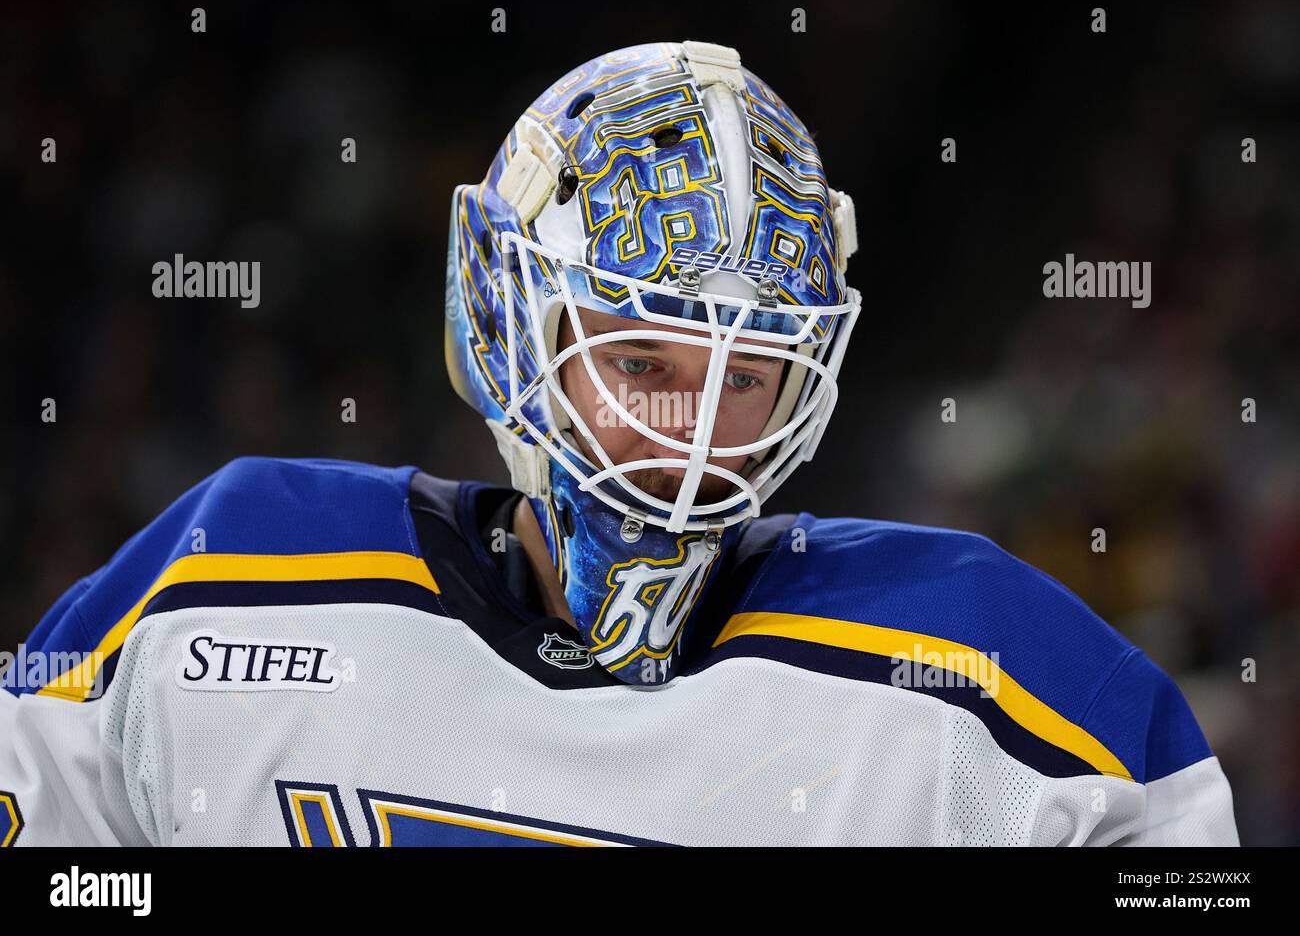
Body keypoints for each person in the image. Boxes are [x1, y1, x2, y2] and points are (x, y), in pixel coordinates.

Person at [0, 41, 1238, 846]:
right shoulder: (228, 587)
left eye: (747, 374)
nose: (690, 438)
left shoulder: (994, 696)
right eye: (640, 359)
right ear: (505, 320)